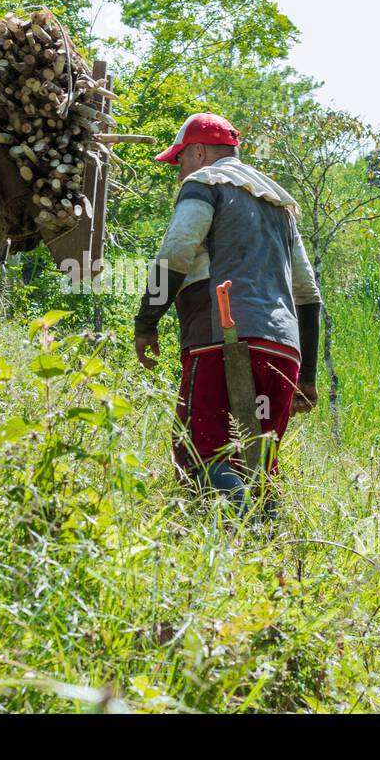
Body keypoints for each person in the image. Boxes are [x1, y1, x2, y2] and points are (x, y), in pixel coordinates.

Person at [133, 112, 322, 509]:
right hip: (283, 353)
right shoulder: (280, 203)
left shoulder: (203, 183)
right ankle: (268, 550)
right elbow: (307, 294)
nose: (179, 170)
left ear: (199, 152)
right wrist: (307, 375)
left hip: (220, 340)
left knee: (200, 454)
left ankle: (233, 539)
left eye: (180, 160)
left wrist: (146, 321)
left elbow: (176, 253)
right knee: (257, 465)